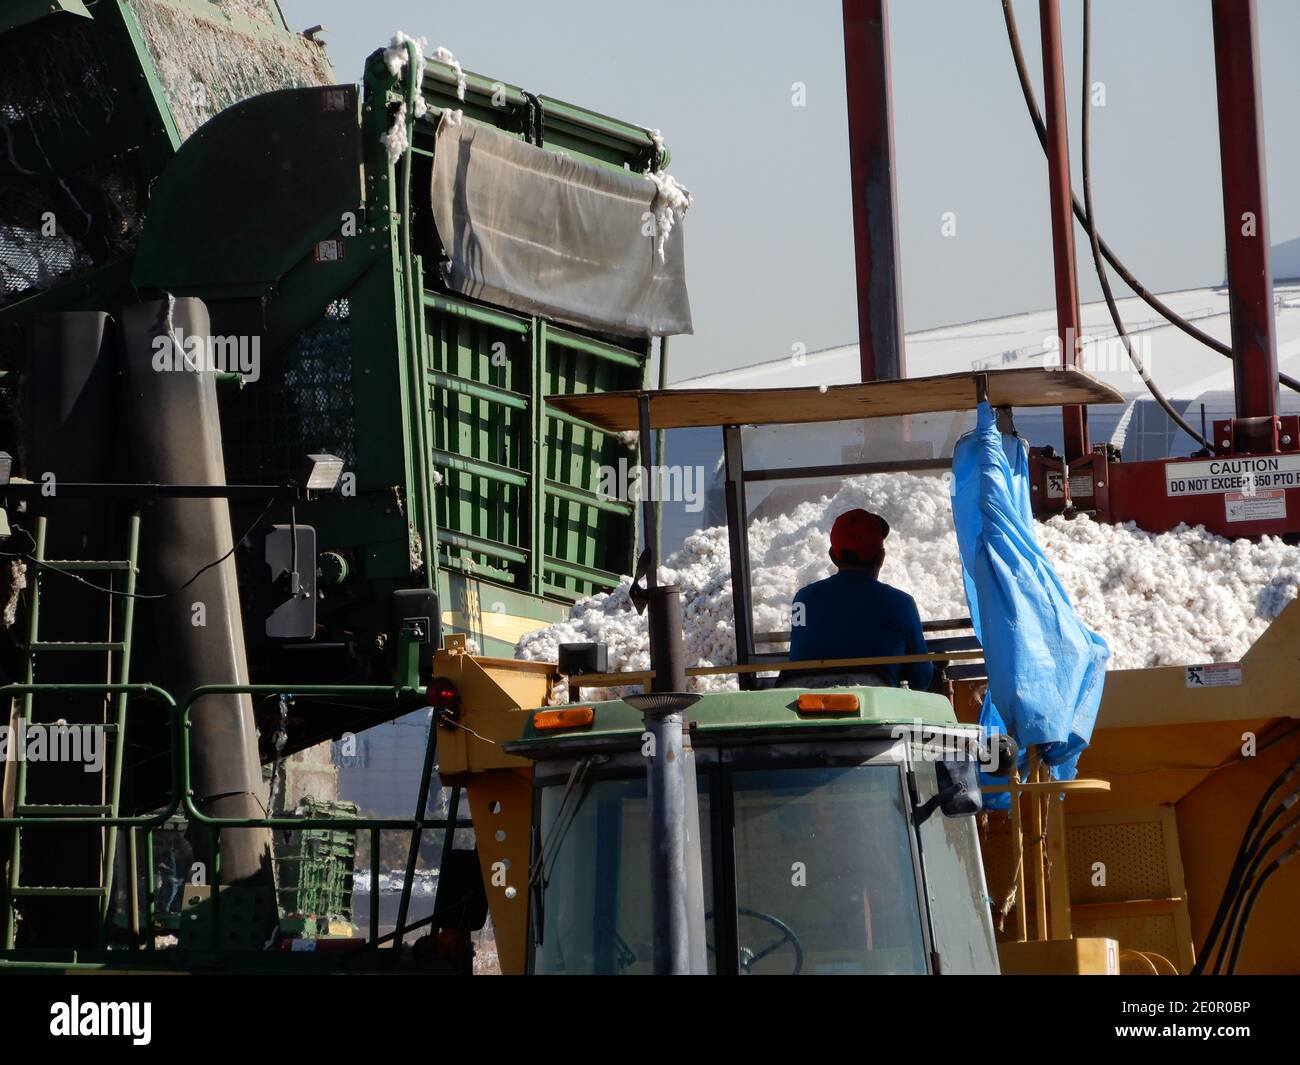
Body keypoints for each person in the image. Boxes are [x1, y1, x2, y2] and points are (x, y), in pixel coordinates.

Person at [782, 508, 933, 691]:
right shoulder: (901, 604)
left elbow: (798, 660)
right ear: (881, 557)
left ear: (833, 556)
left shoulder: (802, 601)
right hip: (879, 716)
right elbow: (921, 679)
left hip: (809, 714)